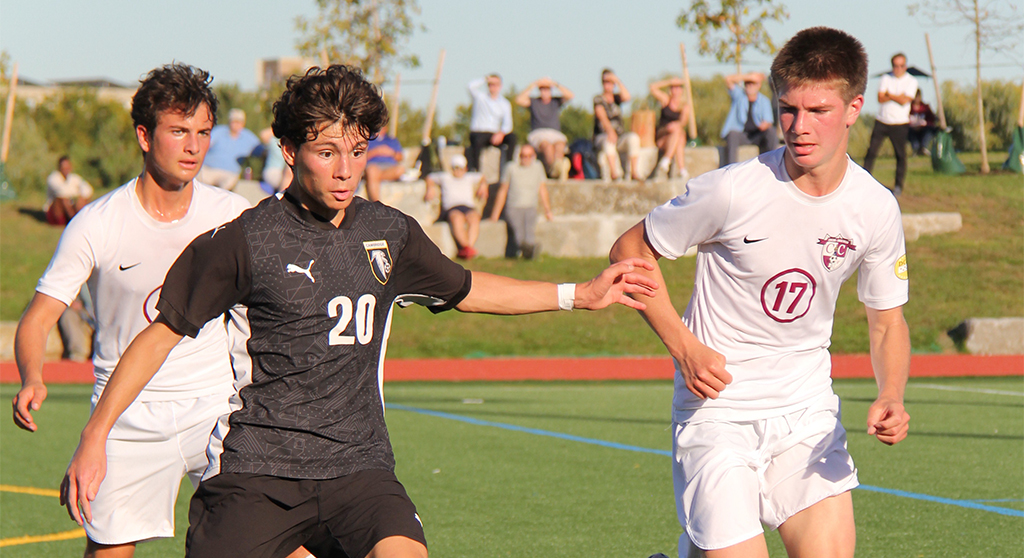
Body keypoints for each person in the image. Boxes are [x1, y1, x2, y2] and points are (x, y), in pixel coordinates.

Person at [60, 64, 659, 558]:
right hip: (257, 474)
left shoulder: (388, 232)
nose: (346, 169)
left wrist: (577, 294)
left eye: (357, 150)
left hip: (358, 470)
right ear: (290, 151)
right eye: (326, 152)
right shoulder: (243, 240)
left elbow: (468, 287)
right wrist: (95, 435)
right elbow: (158, 337)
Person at [611, 27, 911, 558]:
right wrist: (683, 346)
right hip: (718, 412)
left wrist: (891, 395)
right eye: (788, 109)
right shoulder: (730, 190)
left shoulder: (875, 207)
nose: (799, 127)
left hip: (806, 412)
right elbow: (629, 250)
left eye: (818, 110)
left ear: (853, 108)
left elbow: (887, 320)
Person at [12, 63, 252, 558]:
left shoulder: (232, 215)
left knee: (271, 542)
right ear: (144, 136)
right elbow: (38, 319)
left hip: (215, 406)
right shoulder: (96, 223)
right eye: (179, 131)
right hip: (124, 414)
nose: (194, 147)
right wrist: (32, 374)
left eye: (203, 132)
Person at [863, 53, 918, 196]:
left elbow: (904, 100)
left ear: (905, 66)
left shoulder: (911, 81)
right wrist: (897, 96)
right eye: (895, 66)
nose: (898, 69)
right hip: (882, 121)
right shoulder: (885, 78)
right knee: (871, 152)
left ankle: (898, 186)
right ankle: (863, 181)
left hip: (900, 123)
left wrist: (890, 95)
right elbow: (880, 98)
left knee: (900, 155)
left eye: (901, 66)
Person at [490, 144, 552, 259]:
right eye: (524, 156)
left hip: (531, 207)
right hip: (514, 207)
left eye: (529, 156)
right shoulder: (511, 168)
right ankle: (528, 252)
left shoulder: (538, 167)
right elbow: (503, 190)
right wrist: (495, 214)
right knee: (518, 234)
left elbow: (542, 189)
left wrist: (548, 210)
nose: (526, 159)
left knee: (529, 235)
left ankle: (529, 252)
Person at [424, 153, 488, 259]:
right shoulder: (445, 177)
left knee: (474, 217)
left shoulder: (469, 177)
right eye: (455, 168)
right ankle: (467, 247)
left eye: (460, 168)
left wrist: (483, 185)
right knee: (457, 218)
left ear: (465, 168)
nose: (458, 171)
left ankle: (468, 247)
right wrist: (430, 188)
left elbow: (482, 177)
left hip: (467, 207)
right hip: (451, 207)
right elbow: (429, 177)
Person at [515, 77, 574, 178]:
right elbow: (519, 100)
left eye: (547, 89)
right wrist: (533, 84)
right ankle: (553, 170)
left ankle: (558, 167)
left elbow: (570, 95)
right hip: (539, 133)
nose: (545, 92)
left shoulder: (555, 101)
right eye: (542, 89)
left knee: (560, 145)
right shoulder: (534, 102)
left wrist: (555, 84)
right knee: (547, 146)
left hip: (555, 132)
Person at [593, 68, 642, 181]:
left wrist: (618, 81)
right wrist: (610, 131)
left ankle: (634, 172)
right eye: (606, 82)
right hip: (603, 136)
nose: (608, 85)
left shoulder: (617, 98)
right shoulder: (598, 99)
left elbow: (627, 97)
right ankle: (614, 173)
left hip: (620, 136)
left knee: (633, 138)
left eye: (610, 82)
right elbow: (602, 116)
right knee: (609, 141)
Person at [720, 72, 775, 166]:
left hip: (757, 134)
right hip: (742, 134)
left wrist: (765, 124)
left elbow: (768, 121)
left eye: (753, 83)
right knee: (732, 134)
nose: (750, 86)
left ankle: (773, 164)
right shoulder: (739, 96)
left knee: (771, 132)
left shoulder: (764, 101)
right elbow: (728, 80)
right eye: (747, 83)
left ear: (758, 85)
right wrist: (748, 76)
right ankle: (730, 168)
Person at [200, 108, 261, 190]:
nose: (236, 124)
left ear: (243, 123)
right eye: (234, 121)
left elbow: (261, 150)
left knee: (229, 183)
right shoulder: (219, 131)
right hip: (209, 169)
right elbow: (204, 144)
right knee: (197, 177)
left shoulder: (248, 137)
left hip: (229, 174)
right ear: (229, 121)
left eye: (239, 122)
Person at [466, 73, 516, 173]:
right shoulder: (480, 97)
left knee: (512, 137)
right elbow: (470, 86)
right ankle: (476, 169)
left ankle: (509, 167)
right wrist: (484, 79)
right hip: (479, 132)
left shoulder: (505, 103)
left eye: (495, 84)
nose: (493, 87)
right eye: (490, 84)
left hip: (494, 134)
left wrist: (501, 133)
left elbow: (508, 124)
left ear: (500, 86)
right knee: (477, 141)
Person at [648, 78, 691, 180]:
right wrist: (669, 81)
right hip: (663, 135)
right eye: (673, 88)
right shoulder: (666, 100)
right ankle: (681, 169)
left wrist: (676, 126)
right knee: (678, 133)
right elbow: (652, 87)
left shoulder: (684, 106)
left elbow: (683, 122)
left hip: (674, 137)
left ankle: (668, 161)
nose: (675, 90)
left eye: (678, 87)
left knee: (679, 134)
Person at [45, 155, 94, 225]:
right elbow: (61, 191)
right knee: (63, 199)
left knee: (82, 198)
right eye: (63, 167)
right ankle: (74, 220)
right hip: (56, 212)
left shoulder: (74, 178)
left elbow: (88, 189)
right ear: (59, 168)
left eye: (67, 167)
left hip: (70, 207)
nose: (66, 169)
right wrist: (75, 193)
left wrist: (80, 198)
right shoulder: (53, 178)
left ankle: (80, 219)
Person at [364, 128, 406, 202]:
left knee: (401, 170)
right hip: (374, 165)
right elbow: (362, 157)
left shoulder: (392, 140)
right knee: (372, 170)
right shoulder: (368, 140)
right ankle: (376, 202)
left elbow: (400, 157)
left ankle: (376, 178)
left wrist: (391, 153)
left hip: (389, 167)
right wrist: (376, 151)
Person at [259, 127, 291, 193]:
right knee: (289, 172)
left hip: (287, 173)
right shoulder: (274, 139)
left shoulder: (293, 142)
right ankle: (282, 198)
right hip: (274, 170)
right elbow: (263, 135)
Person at [908, 90, 937, 157]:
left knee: (929, 130)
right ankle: (916, 149)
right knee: (909, 131)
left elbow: (932, 119)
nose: (917, 98)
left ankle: (924, 148)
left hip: (925, 128)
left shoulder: (925, 107)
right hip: (912, 129)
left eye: (918, 96)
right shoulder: (908, 108)